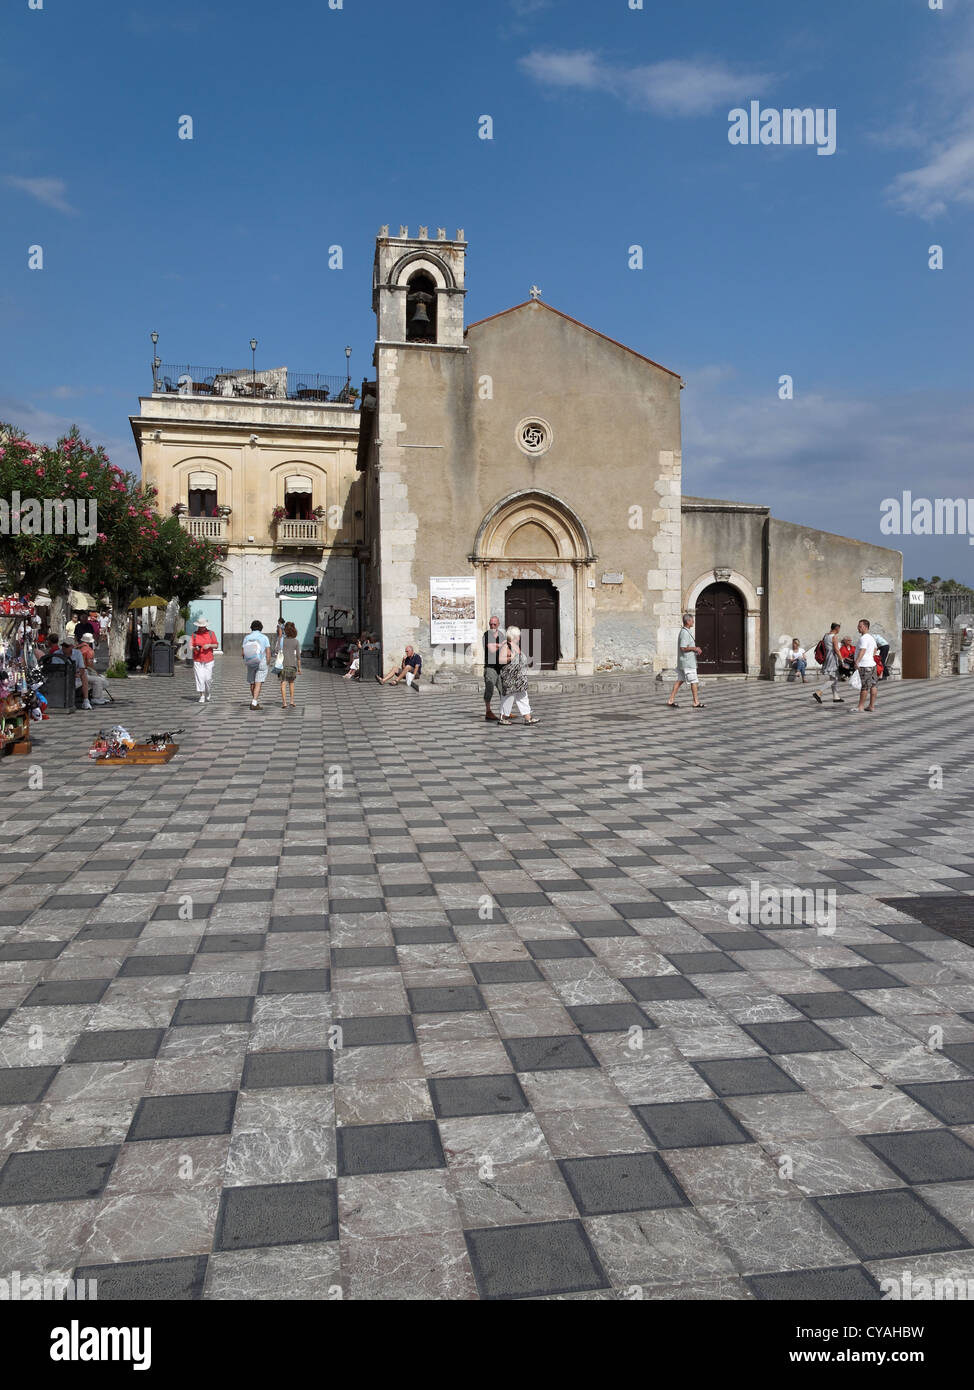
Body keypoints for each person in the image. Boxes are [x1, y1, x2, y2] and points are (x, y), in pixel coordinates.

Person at [497, 625, 540, 725]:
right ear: (513, 636)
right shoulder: (506, 646)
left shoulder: (516, 646)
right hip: (510, 678)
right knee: (508, 697)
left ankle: (528, 718)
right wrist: (510, 658)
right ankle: (503, 718)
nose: (519, 637)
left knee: (523, 696)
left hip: (519, 678)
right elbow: (500, 660)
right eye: (518, 635)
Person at [667, 613, 704, 708]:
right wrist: (695, 648)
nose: (693, 622)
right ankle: (696, 702)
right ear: (688, 621)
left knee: (680, 680)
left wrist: (694, 648)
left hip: (685, 662)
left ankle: (671, 700)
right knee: (694, 681)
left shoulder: (685, 631)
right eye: (692, 620)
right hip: (687, 662)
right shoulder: (684, 633)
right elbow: (683, 648)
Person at [49, 637, 91, 709]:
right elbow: (55, 669)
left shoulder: (77, 653)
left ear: (72, 647)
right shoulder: (56, 654)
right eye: (63, 645)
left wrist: (78, 674)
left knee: (84, 675)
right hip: (61, 678)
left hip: (74, 676)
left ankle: (86, 700)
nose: (64, 648)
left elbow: (82, 668)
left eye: (66, 646)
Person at [813, 622, 845, 705]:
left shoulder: (826, 635)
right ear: (837, 628)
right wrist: (841, 660)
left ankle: (836, 697)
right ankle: (819, 692)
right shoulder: (834, 637)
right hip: (832, 658)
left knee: (834, 677)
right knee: (834, 678)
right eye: (839, 628)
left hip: (827, 657)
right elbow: (836, 649)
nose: (839, 630)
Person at [241, 620, 271, 709]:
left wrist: (246, 660)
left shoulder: (247, 637)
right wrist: (268, 661)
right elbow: (268, 651)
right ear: (261, 628)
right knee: (258, 682)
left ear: (251, 627)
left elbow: (243, 652)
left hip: (250, 661)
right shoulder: (264, 637)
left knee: (252, 682)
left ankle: (254, 701)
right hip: (261, 661)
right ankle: (254, 702)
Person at [853, 617, 879, 713]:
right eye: (858, 626)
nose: (858, 628)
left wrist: (857, 662)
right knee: (873, 686)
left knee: (864, 687)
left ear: (866, 627)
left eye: (860, 626)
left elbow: (863, 650)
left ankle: (860, 706)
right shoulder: (871, 638)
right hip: (872, 665)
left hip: (864, 665)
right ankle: (871, 706)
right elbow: (875, 650)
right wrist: (870, 657)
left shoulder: (863, 638)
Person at [77, 635, 112, 704]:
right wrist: (95, 672)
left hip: (79, 672)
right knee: (101, 680)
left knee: (99, 679)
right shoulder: (89, 650)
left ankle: (99, 697)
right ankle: (96, 697)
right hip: (84, 671)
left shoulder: (77, 648)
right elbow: (90, 663)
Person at [191, 617, 218, 703]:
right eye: (200, 626)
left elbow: (216, 645)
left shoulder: (211, 633)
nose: (202, 628)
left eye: (203, 626)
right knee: (199, 678)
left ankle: (208, 692)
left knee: (208, 679)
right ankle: (202, 695)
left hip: (209, 659)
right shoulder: (194, 634)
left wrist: (209, 645)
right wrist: (195, 648)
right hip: (197, 659)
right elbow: (191, 646)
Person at [483, 614, 503, 722]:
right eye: (491, 624)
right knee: (489, 690)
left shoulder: (501, 635)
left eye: (494, 624)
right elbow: (491, 649)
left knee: (503, 690)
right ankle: (488, 711)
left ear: (498, 624)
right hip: (490, 667)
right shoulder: (486, 635)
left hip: (500, 667)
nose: (492, 626)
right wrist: (500, 645)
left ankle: (504, 711)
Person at [278, 620, 302, 708]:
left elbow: (276, 651)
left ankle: (284, 703)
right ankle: (292, 701)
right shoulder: (296, 641)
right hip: (292, 666)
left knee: (283, 683)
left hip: (283, 666)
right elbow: (298, 656)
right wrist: (299, 668)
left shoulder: (281, 640)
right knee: (291, 683)